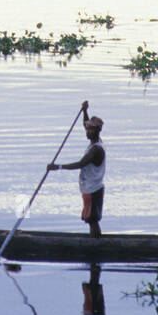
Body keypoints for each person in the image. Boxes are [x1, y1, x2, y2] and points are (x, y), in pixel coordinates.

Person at [49, 101, 105, 236]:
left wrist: (58, 167)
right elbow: (86, 122)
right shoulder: (94, 143)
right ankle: (94, 241)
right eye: (87, 129)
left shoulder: (96, 149)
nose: (87, 131)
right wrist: (85, 111)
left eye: (91, 130)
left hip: (93, 188)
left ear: (97, 131)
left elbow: (80, 164)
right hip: (89, 188)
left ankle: (96, 244)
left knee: (92, 219)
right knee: (89, 218)